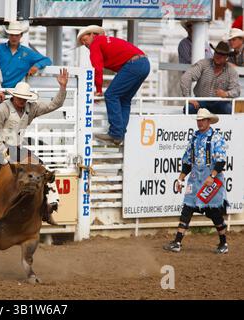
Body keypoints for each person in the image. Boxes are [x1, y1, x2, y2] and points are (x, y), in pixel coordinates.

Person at [0, 68, 69, 224]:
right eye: (19, 97)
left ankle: (48, 208)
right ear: (14, 96)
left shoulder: (31, 108)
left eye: (24, 98)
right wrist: (4, 153)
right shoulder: (3, 110)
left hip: (17, 148)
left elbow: (54, 105)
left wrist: (62, 88)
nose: (21, 101)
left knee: (43, 170)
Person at [164, 109, 229, 254]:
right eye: (198, 120)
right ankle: (177, 242)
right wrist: (180, 179)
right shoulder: (194, 138)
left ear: (208, 121)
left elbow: (221, 160)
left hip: (211, 179)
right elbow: (187, 161)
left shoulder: (216, 138)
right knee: (187, 208)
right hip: (195, 178)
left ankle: (223, 242)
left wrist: (212, 176)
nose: (200, 122)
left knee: (214, 211)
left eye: (203, 120)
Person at [77, 25, 150, 145]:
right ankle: (119, 135)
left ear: (92, 35)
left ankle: (116, 133)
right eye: (83, 43)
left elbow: (97, 68)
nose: (85, 44)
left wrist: (99, 89)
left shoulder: (96, 43)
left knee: (111, 95)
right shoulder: (105, 41)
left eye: (85, 40)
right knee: (125, 99)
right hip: (144, 63)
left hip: (133, 64)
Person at [0, 21, 52, 89]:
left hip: (9, 91)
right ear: (8, 35)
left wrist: (36, 66)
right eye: (12, 35)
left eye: (16, 35)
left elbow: (47, 60)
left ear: (21, 35)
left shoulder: (27, 53)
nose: (14, 38)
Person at [180, 41, 240, 115]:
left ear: (226, 57)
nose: (218, 56)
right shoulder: (203, 64)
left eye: (222, 55)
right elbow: (186, 77)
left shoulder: (231, 71)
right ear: (214, 53)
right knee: (189, 108)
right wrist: (188, 97)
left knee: (229, 109)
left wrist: (226, 94)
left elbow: (236, 90)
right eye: (217, 53)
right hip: (201, 100)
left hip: (219, 102)